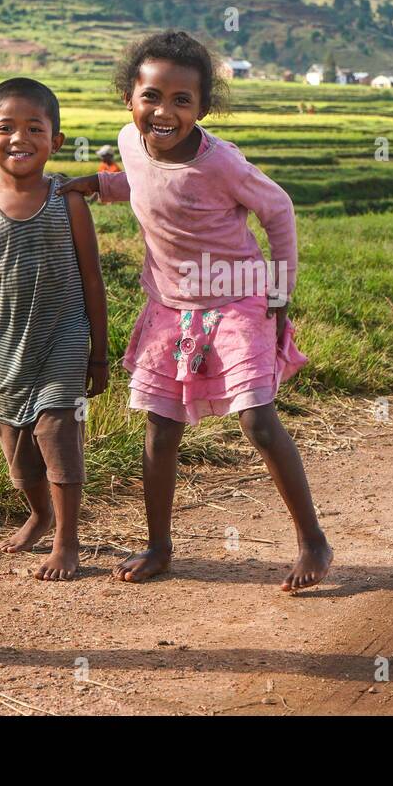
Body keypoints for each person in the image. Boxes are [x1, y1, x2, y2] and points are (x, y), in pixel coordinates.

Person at [59, 30, 332, 590]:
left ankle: (313, 541)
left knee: (257, 419)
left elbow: (278, 209)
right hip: (171, 307)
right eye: (152, 97)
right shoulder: (129, 143)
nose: (164, 111)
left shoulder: (222, 163)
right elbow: (139, 184)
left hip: (238, 299)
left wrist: (280, 290)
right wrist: (95, 185)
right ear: (130, 100)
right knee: (161, 429)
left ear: (203, 108)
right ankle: (159, 545)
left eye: (182, 100)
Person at [0, 79, 108, 581]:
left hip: (64, 339)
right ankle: (39, 514)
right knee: (17, 451)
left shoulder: (68, 202)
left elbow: (93, 280)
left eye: (34, 128)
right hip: (7, 347)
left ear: (55, 141)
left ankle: (67, 541)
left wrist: (98, 355)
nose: (20, 139)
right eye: (6, 128)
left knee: (58, 434)